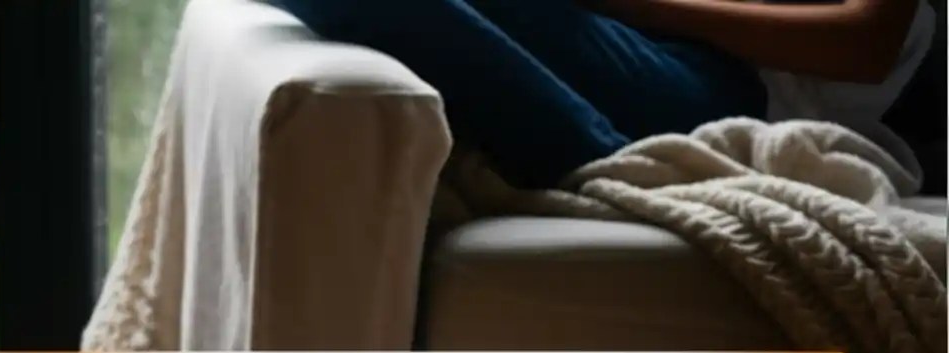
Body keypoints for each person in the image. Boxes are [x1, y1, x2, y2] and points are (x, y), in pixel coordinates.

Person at [268, 0, 940, 190]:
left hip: (744, 85)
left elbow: (865, 44)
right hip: (649, 40)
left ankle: (590, 159)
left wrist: (644, 8)